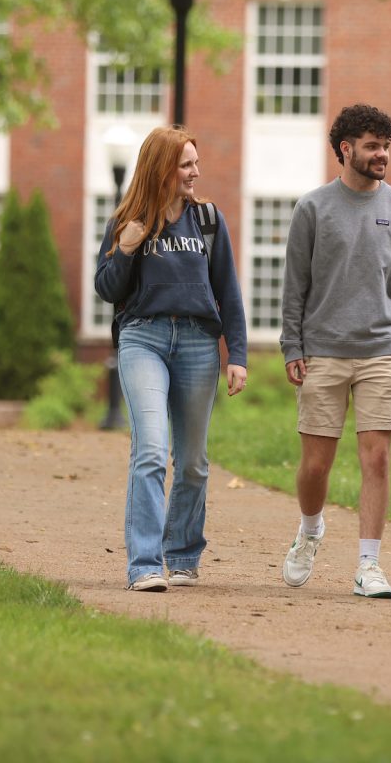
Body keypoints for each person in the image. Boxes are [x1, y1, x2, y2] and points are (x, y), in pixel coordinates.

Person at [279, 104, 391, 599]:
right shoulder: (313, 208)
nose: (382, 154)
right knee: (316, 466)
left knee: (378, 459)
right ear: (346, 149)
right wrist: (292, 344)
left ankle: (369, 565)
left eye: (386, 145)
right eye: (372, 145)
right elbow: (294, 286)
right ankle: (310, 529)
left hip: (383, 350)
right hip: (323, 350)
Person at [94, 125, 248, 592]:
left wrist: (236, 354)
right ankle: (144, 564)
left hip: (199, 343)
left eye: (195, 163)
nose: (195, 172)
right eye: (186, 165)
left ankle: (181, 554)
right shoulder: (127, 220)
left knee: (195, 461)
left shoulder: (207, 220)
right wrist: (125, 249)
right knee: (151, 450)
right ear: (162, 168)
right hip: (144, 338)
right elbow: (105, 289)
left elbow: (228, 291)